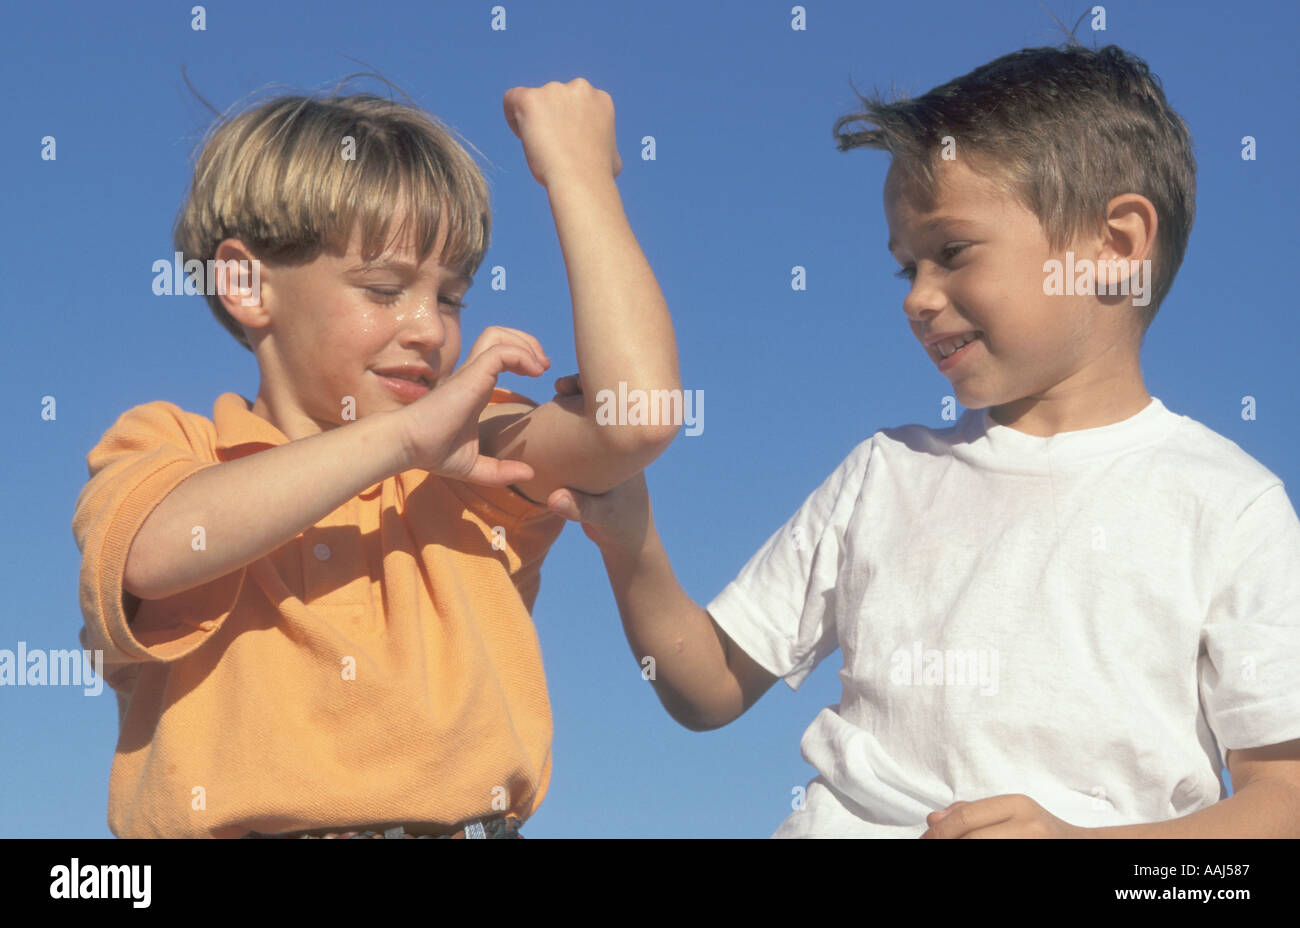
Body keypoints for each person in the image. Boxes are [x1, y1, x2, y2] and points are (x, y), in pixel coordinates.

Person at [546, 44, 1300, 837]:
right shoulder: (885, 473)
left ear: (1114, 246)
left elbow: (1280, 809)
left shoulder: (1231, 509)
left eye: (952, 252)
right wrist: (629, 536)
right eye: (906, 268)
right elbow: (707, 688)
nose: (917, 298)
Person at [72, 77, 681, 838]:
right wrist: (397, 441)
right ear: (244, 283)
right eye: (385, 289)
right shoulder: (171, 446)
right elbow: (152, 555)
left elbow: (639, 419)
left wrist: (578, 174)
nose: (429, 329)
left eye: (452, 297)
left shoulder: (471, 453)